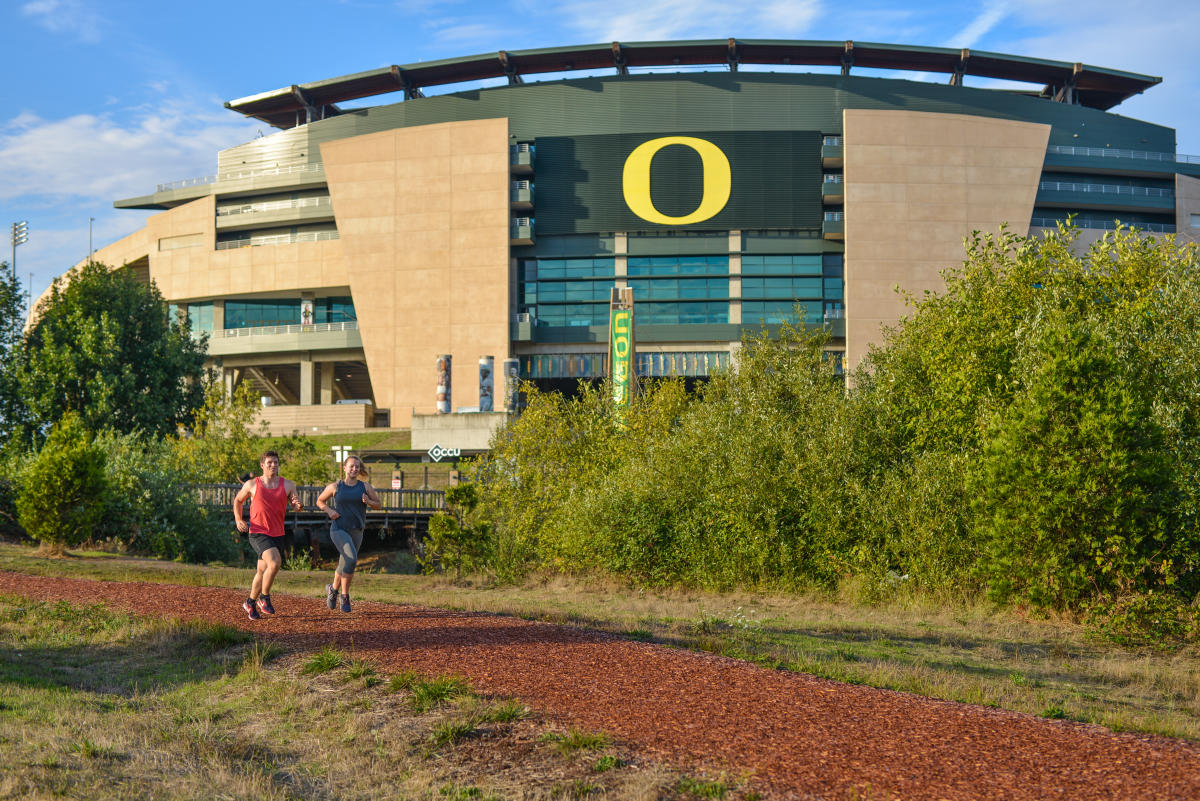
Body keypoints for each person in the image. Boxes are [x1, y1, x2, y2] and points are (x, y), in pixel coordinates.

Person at [234, 451, 303, 620]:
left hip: (277, 533)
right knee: (275, 562)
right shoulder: (252, 484)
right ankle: (264, 598)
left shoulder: (288, 485)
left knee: (262, 570)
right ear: (262, 465)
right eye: (270, 462)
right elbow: (238, 501)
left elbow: (296, 504)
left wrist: (298, 505)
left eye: (276, 462)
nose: (273, 465)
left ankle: (250, 602)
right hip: (258, 532)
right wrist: (238, 519)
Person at [316, 455, 381, 613]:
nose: (354, 469)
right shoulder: (335, 486)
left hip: (357, 530)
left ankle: (332, 589)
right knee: (351, 559)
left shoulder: (365, 487)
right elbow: (320, 501)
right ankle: (344, 596)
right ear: (344, 468)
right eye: (351, 466)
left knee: (344, 563)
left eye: (357, 467)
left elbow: (378, 505)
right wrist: (330, 511)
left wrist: (369, 501)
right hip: (339, 529)